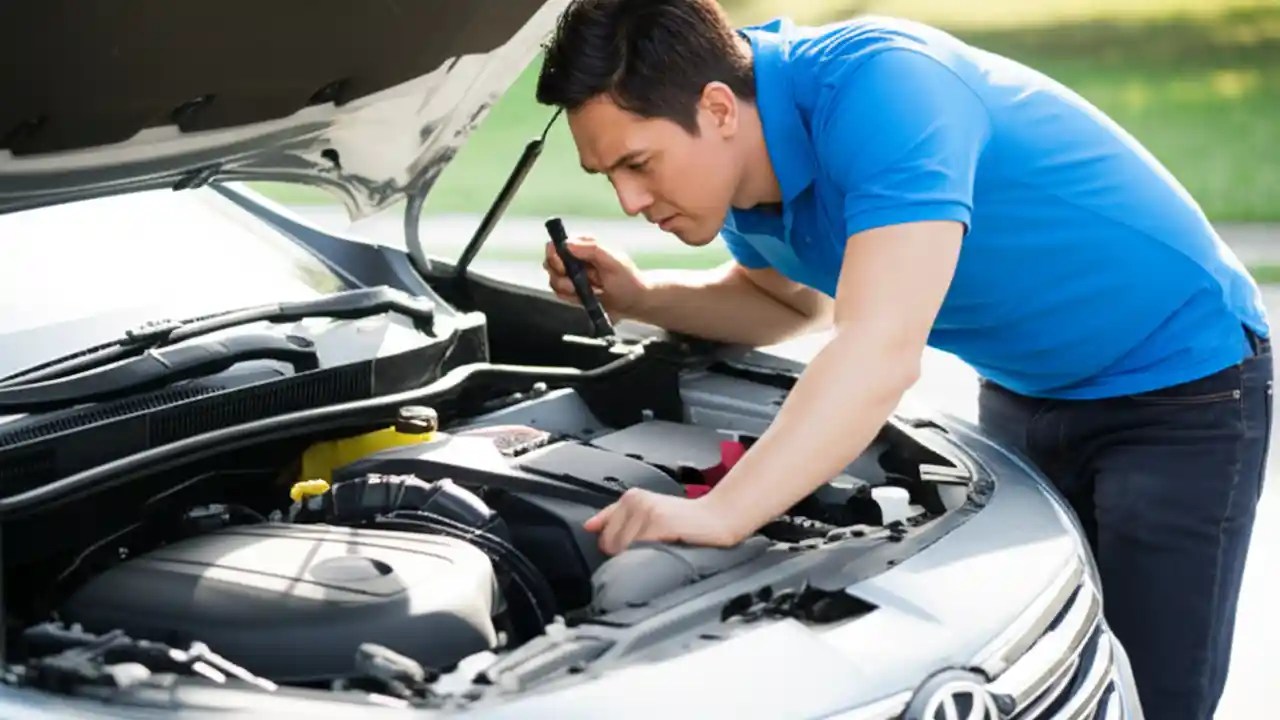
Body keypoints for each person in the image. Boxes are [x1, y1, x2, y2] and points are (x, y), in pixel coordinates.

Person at [533, 1, 1271, 717]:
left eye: (638, 163)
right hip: (1023, 389)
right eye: (609, 177)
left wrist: (723, 512)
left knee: (1151, 692)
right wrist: (643, 295)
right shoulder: (745, 169)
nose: (629, 200)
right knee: (1027, 668)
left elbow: (877, 349)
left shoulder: (886, 90)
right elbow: (791, 304)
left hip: (1180, 385)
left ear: (720, 110)